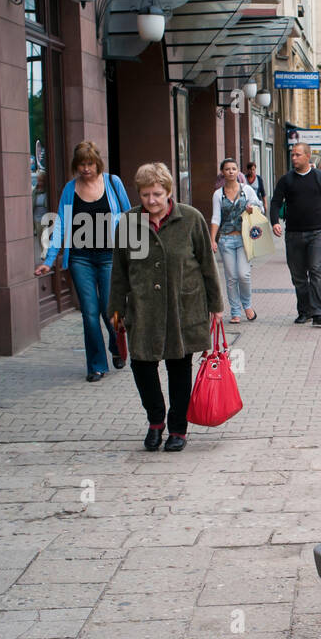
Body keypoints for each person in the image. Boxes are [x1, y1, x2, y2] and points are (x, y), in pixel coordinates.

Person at [108, 163, 223, 453]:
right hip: (143, 309)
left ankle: (177, 428)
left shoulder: (191, 219)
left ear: (169, 192)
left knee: (179, 366)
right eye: (145, 195)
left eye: (157, 194)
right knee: (142, 365)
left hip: (181, 306)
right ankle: (155, 421)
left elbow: (207, 265)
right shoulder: (128, 223)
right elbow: (119, 271)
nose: (151, 201)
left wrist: (216, 305)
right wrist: (116, 310)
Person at [34, 140, 130, 382]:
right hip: (81, 258)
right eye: (81, 165)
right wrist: (50, 259)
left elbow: (130, 217)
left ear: (98, 163)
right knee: (89, 313)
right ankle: (96, 365)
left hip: (110, 256)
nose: (86, 169)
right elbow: (61, 226)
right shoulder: (70, 189)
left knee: (112, 310)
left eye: (90, 164)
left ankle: (117, 346)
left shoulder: (112, 183)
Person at [270, 142, 321, 326]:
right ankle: (304, 311)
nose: (294, 158)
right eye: (293, 155)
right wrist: (275, 222)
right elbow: (276, 202)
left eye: (297, 155)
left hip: (317, 233)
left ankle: (319, 313)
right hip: (293, 234)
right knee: (299, 276)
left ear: (308, 156)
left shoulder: (320, 178)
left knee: (316, 271)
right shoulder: (286, 180)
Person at [210, 158, 263, 325]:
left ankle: (247, 305)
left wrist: (251, 208)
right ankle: (235, 311)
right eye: (227, 169)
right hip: (226, 239)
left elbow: (258, 206)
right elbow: (216, 217)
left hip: (244, 238)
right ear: (223, 172)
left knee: (243, 274)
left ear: (238, 171)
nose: (231, 171)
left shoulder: (246, 190)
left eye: (234, 168)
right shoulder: (218, 194)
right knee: (231, 277)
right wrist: (213, 239)